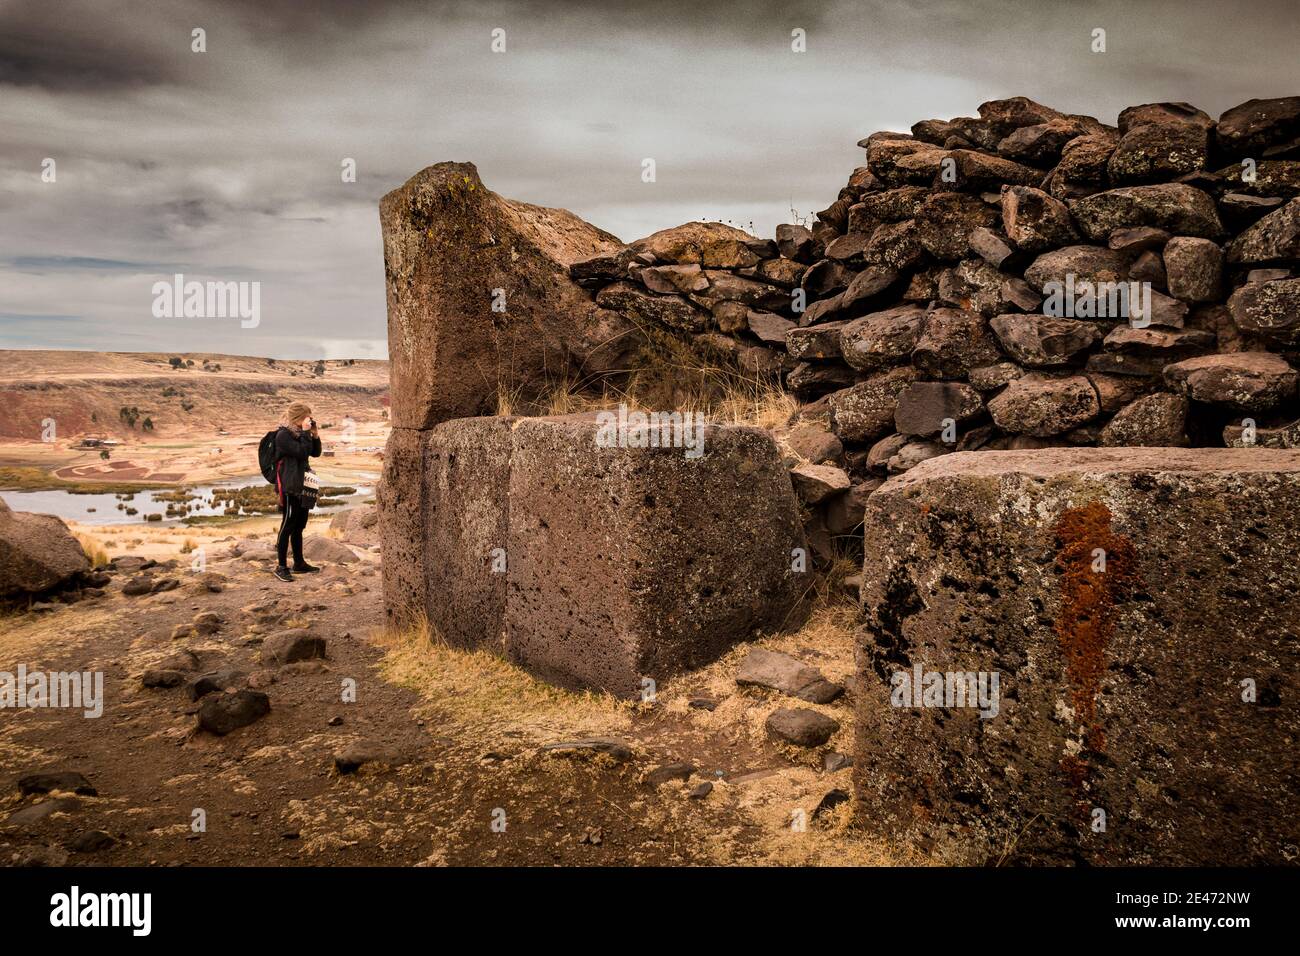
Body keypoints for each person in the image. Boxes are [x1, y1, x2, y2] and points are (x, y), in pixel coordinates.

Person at [273, 401, 322, 582]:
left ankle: (299, 563)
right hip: (289, 486)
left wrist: (314, 435)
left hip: (303, 485)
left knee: (299, 524)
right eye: (307, 417)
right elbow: (301, 453)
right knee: (288, 524)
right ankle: (281, 566)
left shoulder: (302, 435)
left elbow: (315, 453)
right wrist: (305, 433)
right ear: (298, 418)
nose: (309, 420)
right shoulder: (283, 435)